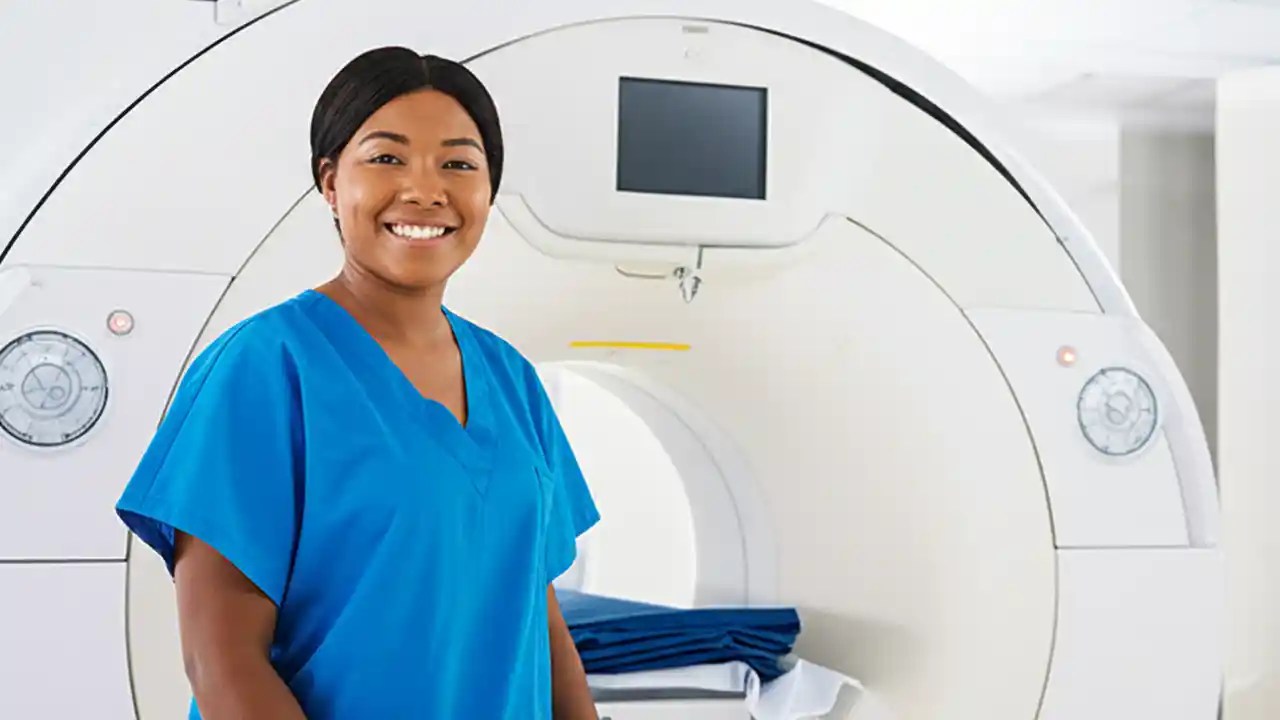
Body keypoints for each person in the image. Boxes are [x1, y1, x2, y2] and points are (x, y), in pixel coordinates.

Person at [115, 46, 601, 720]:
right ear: (330, 182)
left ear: (488, 191)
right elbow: (221, 663)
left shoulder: (510, 377)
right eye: (387, 158)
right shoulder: (263, 367)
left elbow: (540, 625)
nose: (426, 190)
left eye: (459, 163)